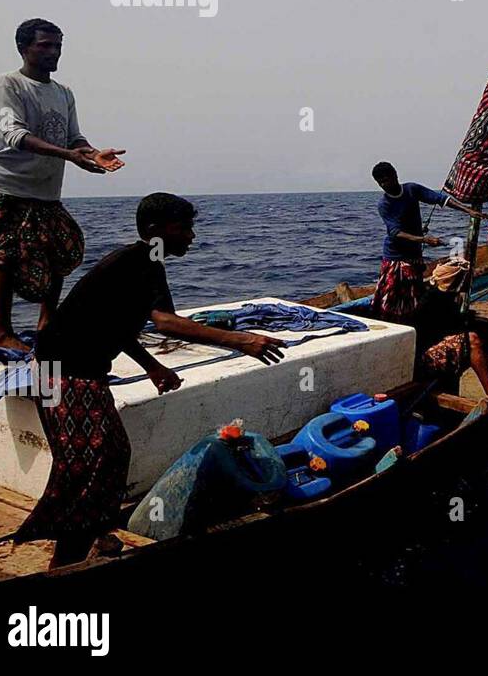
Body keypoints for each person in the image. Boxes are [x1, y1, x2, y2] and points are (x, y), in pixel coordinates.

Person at [16, 193, 286, 568]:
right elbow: (165, 322)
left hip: (67, 370)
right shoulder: (138, 262)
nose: (191, 235)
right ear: (157, 230)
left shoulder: (144, 262)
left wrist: (152, 366)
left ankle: (90, 536)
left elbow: (115, 322)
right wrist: (242, 340)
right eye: (183, 227)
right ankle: (66, 563)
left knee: (101, 458)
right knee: (93, 467)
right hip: (65, 375)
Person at [0, 20, 126, 352]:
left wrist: (92, 153)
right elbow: (14, 135)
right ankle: (4, 332)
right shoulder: (8, 85)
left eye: (57, 46)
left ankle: (47, 321)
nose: (53, 52)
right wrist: (69, 156)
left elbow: (74, 137)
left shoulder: (63, 93)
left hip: (44, 191)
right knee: (5, 255)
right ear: (23, 48)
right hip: (3, 185)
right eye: (44, 45)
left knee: (64, 247)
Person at [370, 161, 485, 322]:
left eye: (386, 180)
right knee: (391, 298)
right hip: (396, 257)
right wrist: (424, 239)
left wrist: (468, 210)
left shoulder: (411, 189)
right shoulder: (384, 204)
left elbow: (440, 199)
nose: (384, 185)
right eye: (380, 182)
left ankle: (413, 322)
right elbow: (395, 233)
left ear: (395, 175)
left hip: (415, 255)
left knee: (414, 295)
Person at [415, 258, 488, 402]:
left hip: (434, 349)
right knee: (472, 340)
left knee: (472, 344)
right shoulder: (434, 300)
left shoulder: (446, 298)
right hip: (424, 360)